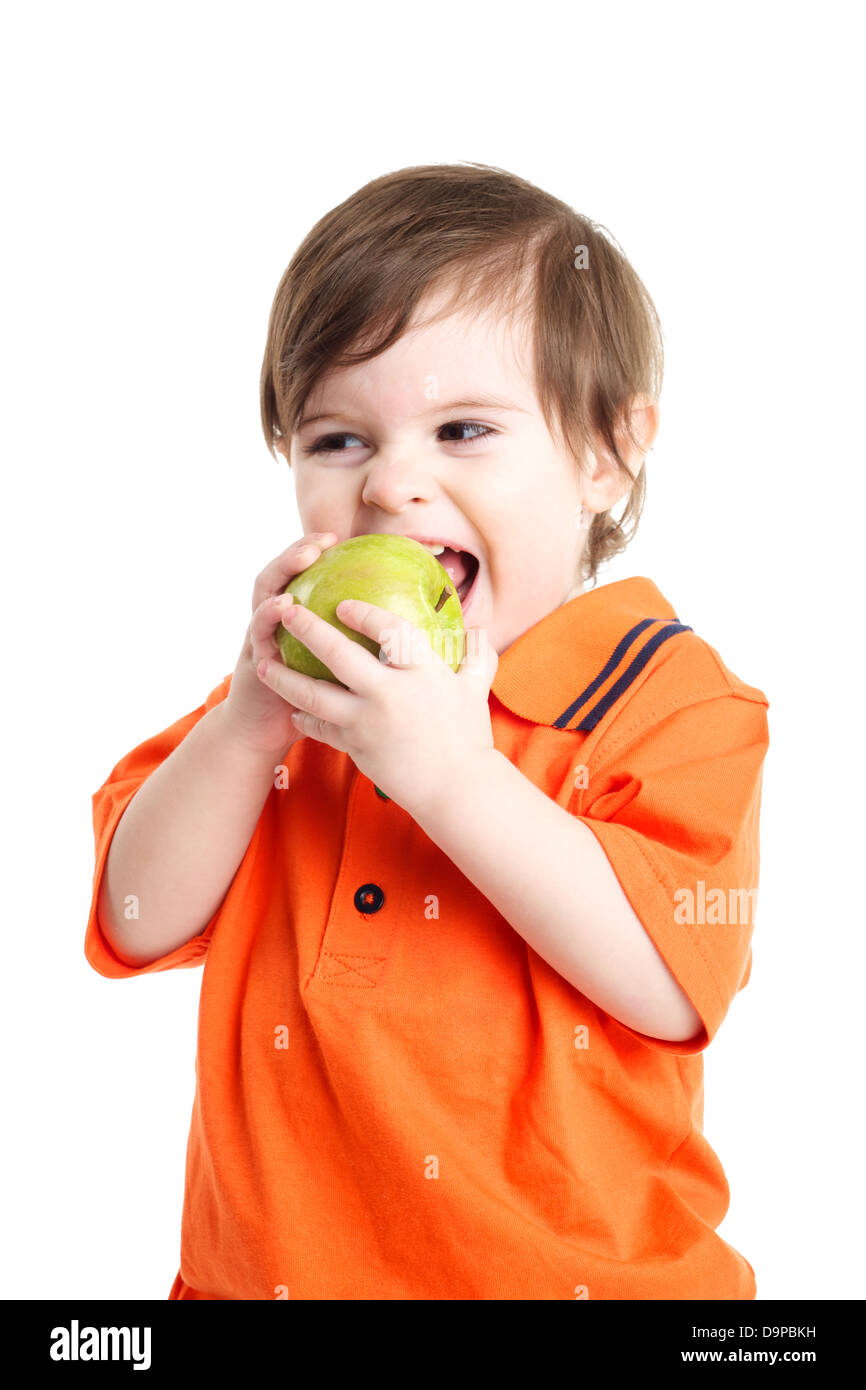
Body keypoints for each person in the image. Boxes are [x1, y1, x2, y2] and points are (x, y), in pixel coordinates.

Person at [86, 162, 770, 1300]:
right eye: (338, 440)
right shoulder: (291, 703)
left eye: (461, 430)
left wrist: (450, 774)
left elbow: (666, 980)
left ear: (603, 452)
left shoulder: (670, 698)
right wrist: (249, 722)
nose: (392, 486)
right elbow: (135, 915)